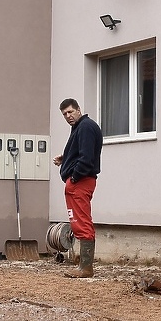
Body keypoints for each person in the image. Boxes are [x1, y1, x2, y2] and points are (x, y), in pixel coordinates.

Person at [52, 98, 103, 278]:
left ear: (79, 110)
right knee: (78, 221)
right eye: (65, 114)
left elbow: (87, 157)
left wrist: (74, 177)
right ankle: (84, 266)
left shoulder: (86, 127)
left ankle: (86, 268)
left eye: (71, 112)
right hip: (78, 182)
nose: (68, 116)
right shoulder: (80, 128)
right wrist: (65, 159)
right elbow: (80, 151)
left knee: (82, 221)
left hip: (80, 182)